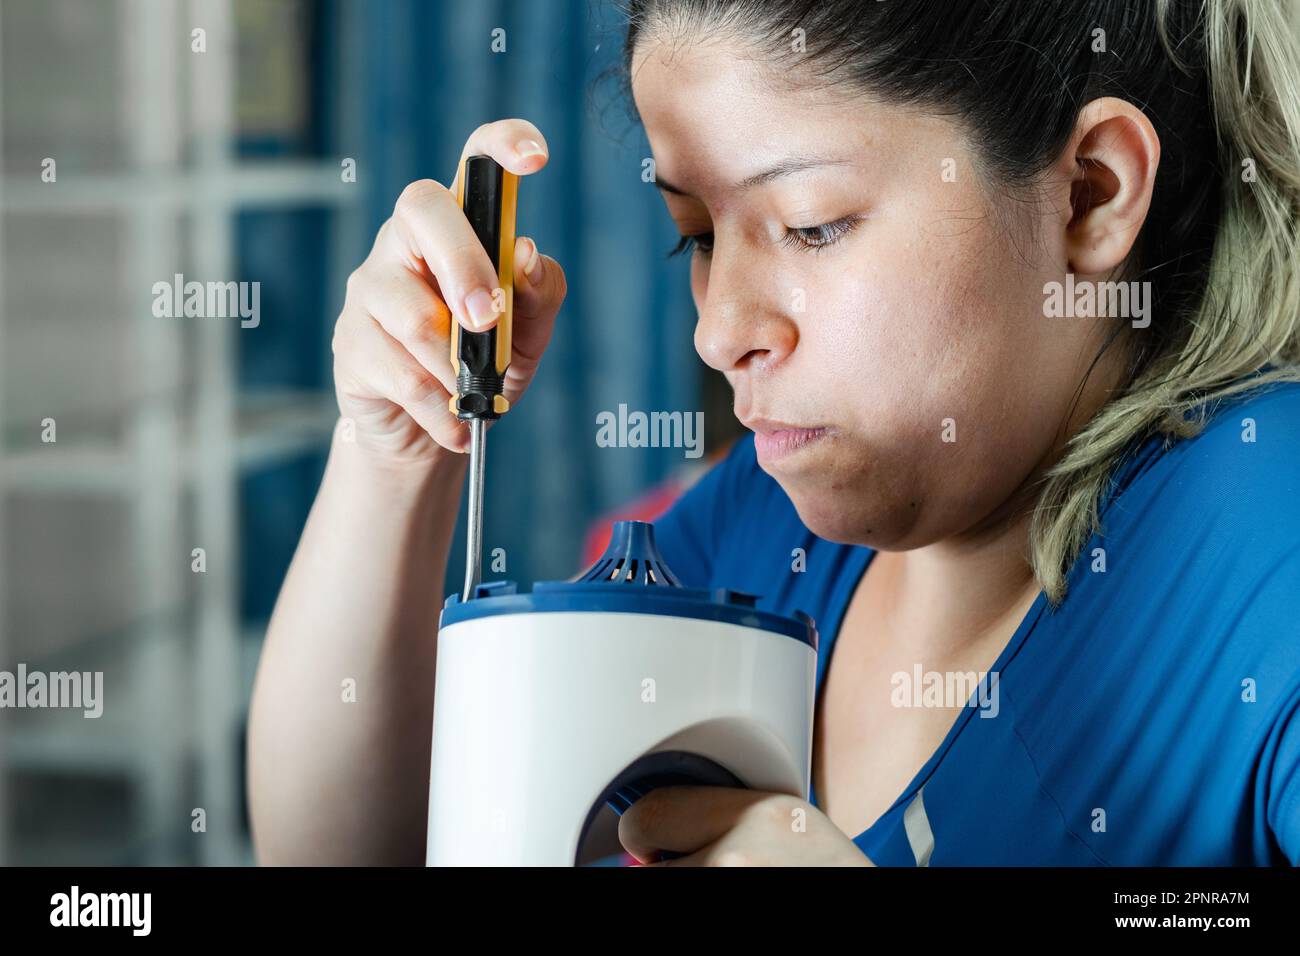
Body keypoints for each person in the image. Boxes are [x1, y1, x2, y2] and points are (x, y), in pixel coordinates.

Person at [248, 0, 1300, 865]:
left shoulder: (1267, 541)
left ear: (1090, 193)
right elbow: (353, 852)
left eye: (810, 225)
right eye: (695, 238)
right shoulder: (756, 527)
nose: (718, 332)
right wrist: (394, 454)